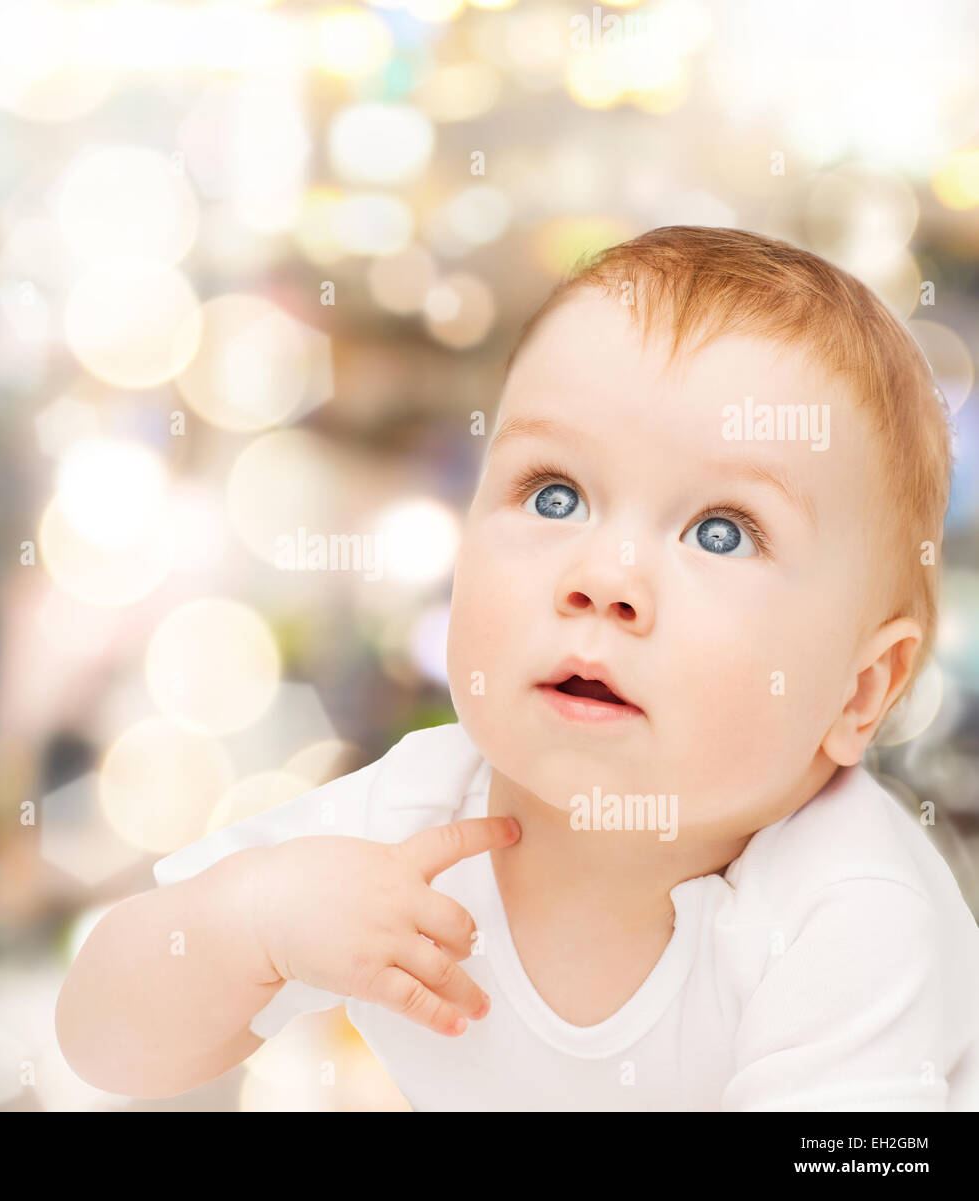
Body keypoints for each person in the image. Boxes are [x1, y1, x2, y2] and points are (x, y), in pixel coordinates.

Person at [56, 226, 979, 1110]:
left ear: (860, 691)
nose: (603, 577)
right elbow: (103, 1040)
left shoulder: (847, 909)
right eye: (555, 493)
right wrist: (249, 923)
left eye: (721, 532)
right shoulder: (411, 822)